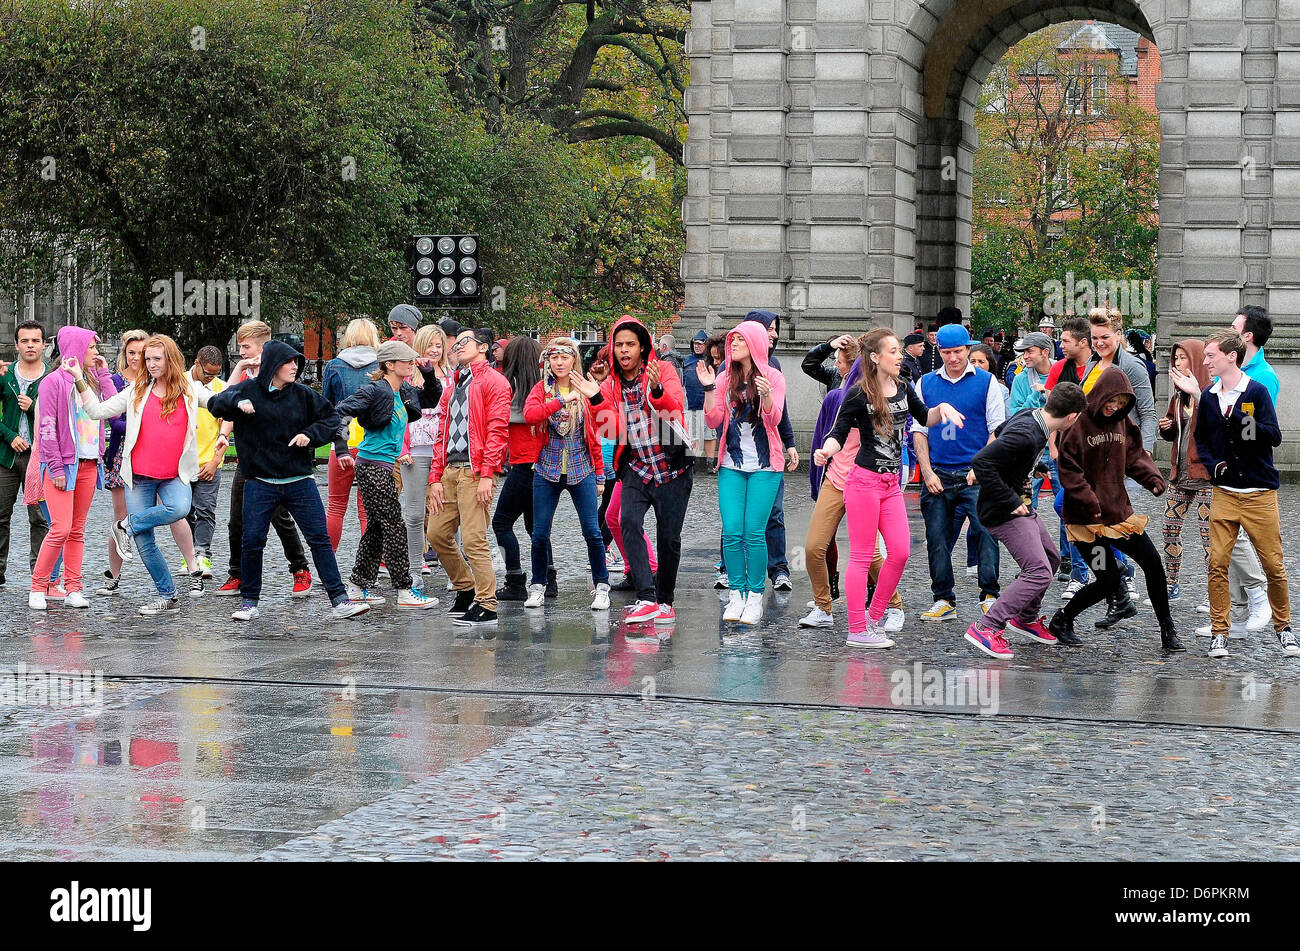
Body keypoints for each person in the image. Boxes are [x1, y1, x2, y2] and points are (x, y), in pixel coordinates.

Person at [814, 329, 965, 647]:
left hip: (891, 485)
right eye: (894, 351)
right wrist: (826, 451)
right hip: (864, 483)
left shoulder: (903, 387)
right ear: (875, 358)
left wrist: (944, 410)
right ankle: (857, 629)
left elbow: (925, 416)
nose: (900, 356)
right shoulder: (857, 393)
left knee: (900, 551)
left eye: (899, 351)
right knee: (862, 556)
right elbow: (838, 432)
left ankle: (874, 616)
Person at [204, 340, 369, 621]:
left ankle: (339, 600)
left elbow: (331, 418)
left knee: (319, 539)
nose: (295, 367)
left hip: (300, 481)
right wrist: (237, 401)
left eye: (297, 362)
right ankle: (249, 602)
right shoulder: (248, 390)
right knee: (252, 541)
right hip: (259, 482)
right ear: (272, 365)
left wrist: (311, 435)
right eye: (289, 362)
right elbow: (214, 404)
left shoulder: (304, 395)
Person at [67, 335, 214, 616]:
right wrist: (78, 377)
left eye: (157, 358)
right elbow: (97, 410)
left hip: (174, 475)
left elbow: (220, 400)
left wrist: (245, 397)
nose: (151, 364)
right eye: (148, 359)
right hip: (139, 477)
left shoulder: (189, 389)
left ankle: (125, 526)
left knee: (180, 508)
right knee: (145, 541)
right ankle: (167, 595)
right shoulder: (137, 390)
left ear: (170, 359)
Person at [1049, 368, 1184, 652]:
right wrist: (1088, 499)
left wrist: (1152, 478)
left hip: (1119, 516)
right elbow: (1068, 469)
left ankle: (1167, 629)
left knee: (1152, 564)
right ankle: (1062, 620)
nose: (1115, 407)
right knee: (1108, 579)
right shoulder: (1078, 424)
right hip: (1088, 524)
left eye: (1122, 403)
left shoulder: (1124, 424)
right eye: (1112, 400)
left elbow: (1134, 456)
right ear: (1100, 395)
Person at [965, 383, 1088, 658]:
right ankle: (987, 626)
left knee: (1051, 557)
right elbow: (982, 462)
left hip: (1018, 504)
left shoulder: (1032, 415)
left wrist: (1035, 467)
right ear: (1071, 417)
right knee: (1039, 570)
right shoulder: (1027, 434)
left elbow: (999, 434)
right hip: (1004, 510)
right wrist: (1011, 501)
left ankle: (1026, 618)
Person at [1194, 330, 1295, 659]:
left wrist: (1240, 418)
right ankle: (1219, 632)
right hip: (1225, 493)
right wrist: (1213, 464)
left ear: (1231, 357)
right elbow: (1203, 440)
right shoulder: (1209, 396)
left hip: (1260, 493)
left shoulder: (1256, 392)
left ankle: (1285, 629)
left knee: (1274, 566)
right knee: (1217, 564)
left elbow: (1272, 437)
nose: (1206, 361)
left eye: (1211, 356)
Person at [591, 314, 692, 626]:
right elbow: (611, 430)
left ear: (642, 346)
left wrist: (658, 390)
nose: (624, 350)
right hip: (637, 468)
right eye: (619, 344)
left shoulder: (663, 370)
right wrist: (595, 397)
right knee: (627, 521)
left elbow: (674, 410)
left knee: (668, 538)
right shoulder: (610, 385)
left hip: (672, 468)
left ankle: (666, 602)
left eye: (630, 344)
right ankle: (646, 596)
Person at [802, 339, 908, 633]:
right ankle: (823, 607)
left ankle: (894, 605)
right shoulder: (840, 396)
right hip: (837, 480)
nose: (837, 366)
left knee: (872, 555)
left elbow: (899, 439)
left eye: (840, 361)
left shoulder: (883, 398)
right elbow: (829, 435)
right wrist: (823, 459)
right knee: (813, 547)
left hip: (867, 484)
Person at [335, 340, 441, 609]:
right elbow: (341, 412)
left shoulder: (402, 389)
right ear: (389, 365)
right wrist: (341, 448)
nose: (410, 363)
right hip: (372, 467)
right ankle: (405, 590)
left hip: (382, 465)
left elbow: (430, 399)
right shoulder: (375, 389)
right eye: (405, 360)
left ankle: (358, 586)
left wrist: (429, 374)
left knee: (377, 528)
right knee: (394, 525)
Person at [912, 323, 1005, 620]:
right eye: (946, 352)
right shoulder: (925, 383)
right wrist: (926, 472)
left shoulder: (987, 382)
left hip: (975, 474)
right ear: (938, 351)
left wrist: (980, 467)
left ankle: (990, 594)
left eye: (957, 352)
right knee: (937, 537)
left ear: (968, 349)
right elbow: (919, 430)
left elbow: (996, 429)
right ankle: (943, 598)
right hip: (938, 471)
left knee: (987, 533)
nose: (952, 358)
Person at [215, 320, 312, 598]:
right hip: (248, 460)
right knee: (237, 520)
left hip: (276, 463)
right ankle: (238, 574)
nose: (241, 351)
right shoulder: (245, 379)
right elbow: (226, 402)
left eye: (245, 347)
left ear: (262, 348)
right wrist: (223, 435)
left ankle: (300, 569)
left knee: (280, 518)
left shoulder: (282, 379)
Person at [699, 320, 787, 626]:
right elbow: (713, 421)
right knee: (733, 531)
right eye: (732, 341)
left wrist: (767, 397)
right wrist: (710, 388)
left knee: (754, 532)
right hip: (731, 465)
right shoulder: (725, 377)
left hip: (765, 466)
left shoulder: (773, 376)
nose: (732, 345)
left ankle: (755, 596)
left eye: (739, 340)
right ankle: (736, 594)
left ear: (755, 344)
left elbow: (774, 420)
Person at [426, 328, 511, 628]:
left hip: (475, 472)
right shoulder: (454, 383)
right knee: (436, 534)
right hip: (450, 470)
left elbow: (498, 432)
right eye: (457, 343)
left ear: (484, 348)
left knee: (474, 540)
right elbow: (442, 433)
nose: (458, 346)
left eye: (465, 342)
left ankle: (487, 604)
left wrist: (488, 474)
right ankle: (465, 587)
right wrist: (435, 476)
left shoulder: (494, 382)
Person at [30, 326, 118, 609]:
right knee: (61, 528)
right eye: (92, 347)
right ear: (77, 348)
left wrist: (104, 374)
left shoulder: (90, 381)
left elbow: (114, 409)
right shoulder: (52, 382)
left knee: (77, 530)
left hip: (90, 465)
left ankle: (73, 588)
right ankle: (38, 586)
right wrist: (55, 467)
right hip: (63, 466)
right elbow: (46, 429)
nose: (97, 352)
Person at [521, 337, 610, 611]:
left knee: (593, 532)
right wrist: (561, 399)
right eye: (554, 358)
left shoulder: (585, 388)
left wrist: (600, 475)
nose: (559, 363)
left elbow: (597, 433)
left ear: (574, 360)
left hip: (581, 467)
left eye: (565, 357)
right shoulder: (542, 389)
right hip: (546, 469)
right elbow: (530, 415)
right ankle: (538, 585)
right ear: (548, 362)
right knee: (539, 533)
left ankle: (602, 585)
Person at [738, 310, 798, 591]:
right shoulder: (733, 366)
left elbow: (780, 411)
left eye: (775, 328)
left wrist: (790, 443)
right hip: (737, 456)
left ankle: (778, 569)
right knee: (737, 517)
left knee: (773, 513)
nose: (774, 334)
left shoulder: (773, 366)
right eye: (770, 328)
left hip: (768, 453)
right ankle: (731, 569)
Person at [490, 336, 548, 602]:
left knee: (501, 522)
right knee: (537, 526)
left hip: (523, 464)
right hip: (543, 464)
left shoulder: (510, 387)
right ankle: (549, 578)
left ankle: (515, 580)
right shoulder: (544, 387)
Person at [1155, 340, 1212, 605]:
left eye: (1182, 358)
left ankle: (1215, 593)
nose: (1177, 363)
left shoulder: (1211, 394)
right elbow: (1172, 433)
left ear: (1197, 360)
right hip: (1180, 475)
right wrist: (1166, 427)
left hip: (1206, 478)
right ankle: (1171, 583)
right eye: (1175, 358)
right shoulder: (1179, 397)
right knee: (1169, 529)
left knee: (1209, 539)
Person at [398, 324, 454, 584]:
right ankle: (414, 566)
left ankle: (455, 566)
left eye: (438, 345)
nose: (434, 349)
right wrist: (403, 448)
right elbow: (401, 418)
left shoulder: (452, 375)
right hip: (416, 449)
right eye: (430, 344)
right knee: (414, 512)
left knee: (452, 510)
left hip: (445, 450)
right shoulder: (408, 376)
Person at [321, 317, 380, 550]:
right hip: (372, 440)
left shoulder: (334, 365)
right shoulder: (382, 365)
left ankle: (328, 561)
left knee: (335, 506)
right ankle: (371, 564)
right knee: (367, 509)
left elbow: (327, 406)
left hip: (342, 438)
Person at [0, 320, 50, 586]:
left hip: (38, 457)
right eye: (25, 341)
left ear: (44, 344)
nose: (30, 345)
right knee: (0, 516)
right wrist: (10, 437)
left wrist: (33, 408)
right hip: (5, 457)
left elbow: (59, 419)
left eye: (35, 341)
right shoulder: (4, 375)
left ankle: (40, 575)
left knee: (40, 518)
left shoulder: (51, 378)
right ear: (17, 344)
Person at [184, 347, 226, 579]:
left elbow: (226, 429)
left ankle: (203, 555)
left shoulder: (221, 389)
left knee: (206, 510)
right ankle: (189, 554)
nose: (211, 378)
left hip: (209, 461)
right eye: (208, 373)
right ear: (197, 363)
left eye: (215, 374)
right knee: (184, 512)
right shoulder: (178, 382)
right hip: (182, 461)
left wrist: (215, 461)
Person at [682, 330, 710, 457]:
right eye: (695, 343)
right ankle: (691, 460)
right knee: (692, 435)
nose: (697, 346)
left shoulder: (710, 360)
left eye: (700, 344)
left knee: (709, 434)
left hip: (707, 403)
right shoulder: (686, 360)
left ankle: (710, 463)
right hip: (691, 403)